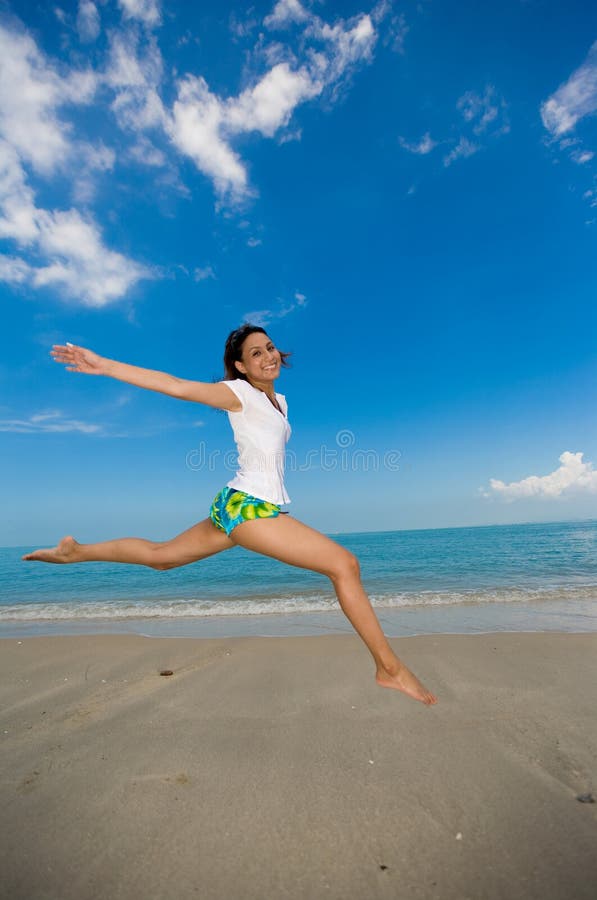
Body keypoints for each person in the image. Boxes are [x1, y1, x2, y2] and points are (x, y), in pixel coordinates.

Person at [23, 325, 437, 706]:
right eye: (255, 353)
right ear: (241, 366)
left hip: (238, 503)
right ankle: (389, 668)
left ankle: (75, 553)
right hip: (248, 509)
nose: (267, 356)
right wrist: (106, 365)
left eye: (270, 347)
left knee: (162, 556)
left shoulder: (280, 401)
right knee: (344, 565)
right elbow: (178, 386)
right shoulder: (239, 393)